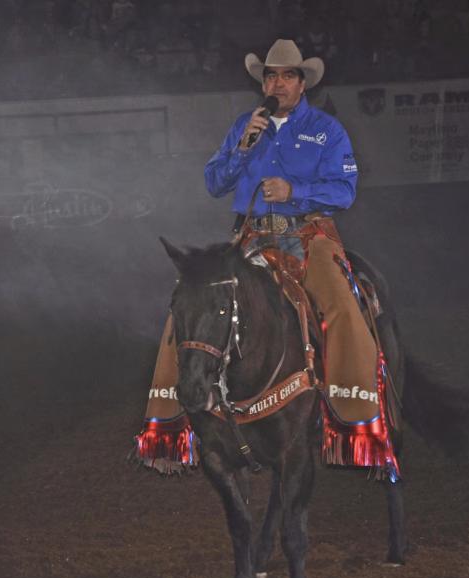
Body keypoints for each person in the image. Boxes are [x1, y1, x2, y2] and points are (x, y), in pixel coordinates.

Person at [134, 39, 398, 478]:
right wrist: (241, 149)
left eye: (287, 75)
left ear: (301, 83)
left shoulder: (327, 130)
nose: (278, 83)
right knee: (189, 301)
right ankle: (171, 424)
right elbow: (214, 183)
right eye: (271, 75)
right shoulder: (245, 125)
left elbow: (345, 190)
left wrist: (297, 191)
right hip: (251, 238)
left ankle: (358, 425)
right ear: (264, 82)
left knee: (343, 309)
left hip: (308, 236)